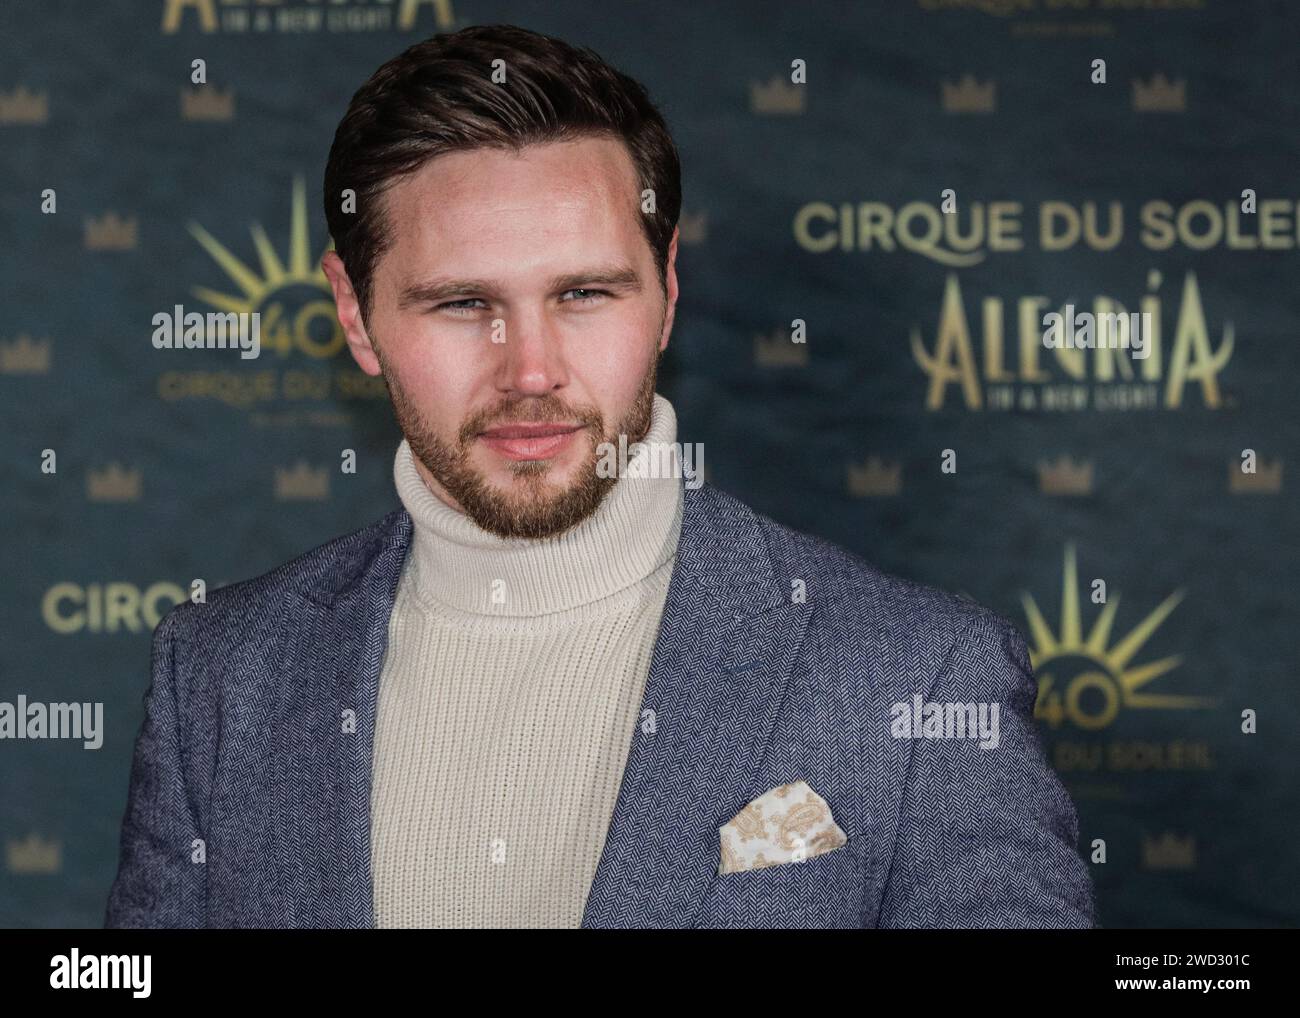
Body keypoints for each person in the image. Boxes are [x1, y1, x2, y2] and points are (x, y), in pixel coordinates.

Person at [106, 23, 1095, 929]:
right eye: (460, 303)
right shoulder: (220, 677)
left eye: (583, 293)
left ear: (665, 294)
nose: (529, 369)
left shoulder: (920, 678)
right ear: (356, 314)